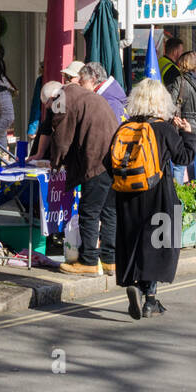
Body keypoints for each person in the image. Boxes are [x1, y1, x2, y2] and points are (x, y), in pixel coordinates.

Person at [114, 78, 196, 319]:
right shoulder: (163, 128)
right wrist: (187, 134)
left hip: (126, 194)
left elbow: (110, 163)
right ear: (161, 102)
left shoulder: (124, 128)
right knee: (158, 243)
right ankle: (148, 296)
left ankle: (138, 287)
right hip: (157, 193)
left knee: (133, 241)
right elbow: (182, 158)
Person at [48, 75, 120, 277]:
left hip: (95, 160)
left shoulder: (61, 98)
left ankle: (88, 261)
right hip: (112, 158)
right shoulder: (86, 96)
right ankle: (109, 260)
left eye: (48, 106)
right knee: (108, 212)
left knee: (89, 212)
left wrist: (55, 162)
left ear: (52, 98)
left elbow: (61, 138)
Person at [167, 51, 196, 180]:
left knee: (181, 165)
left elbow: (171, 105)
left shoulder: (180, 81)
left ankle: (180, 198)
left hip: (184, 127)